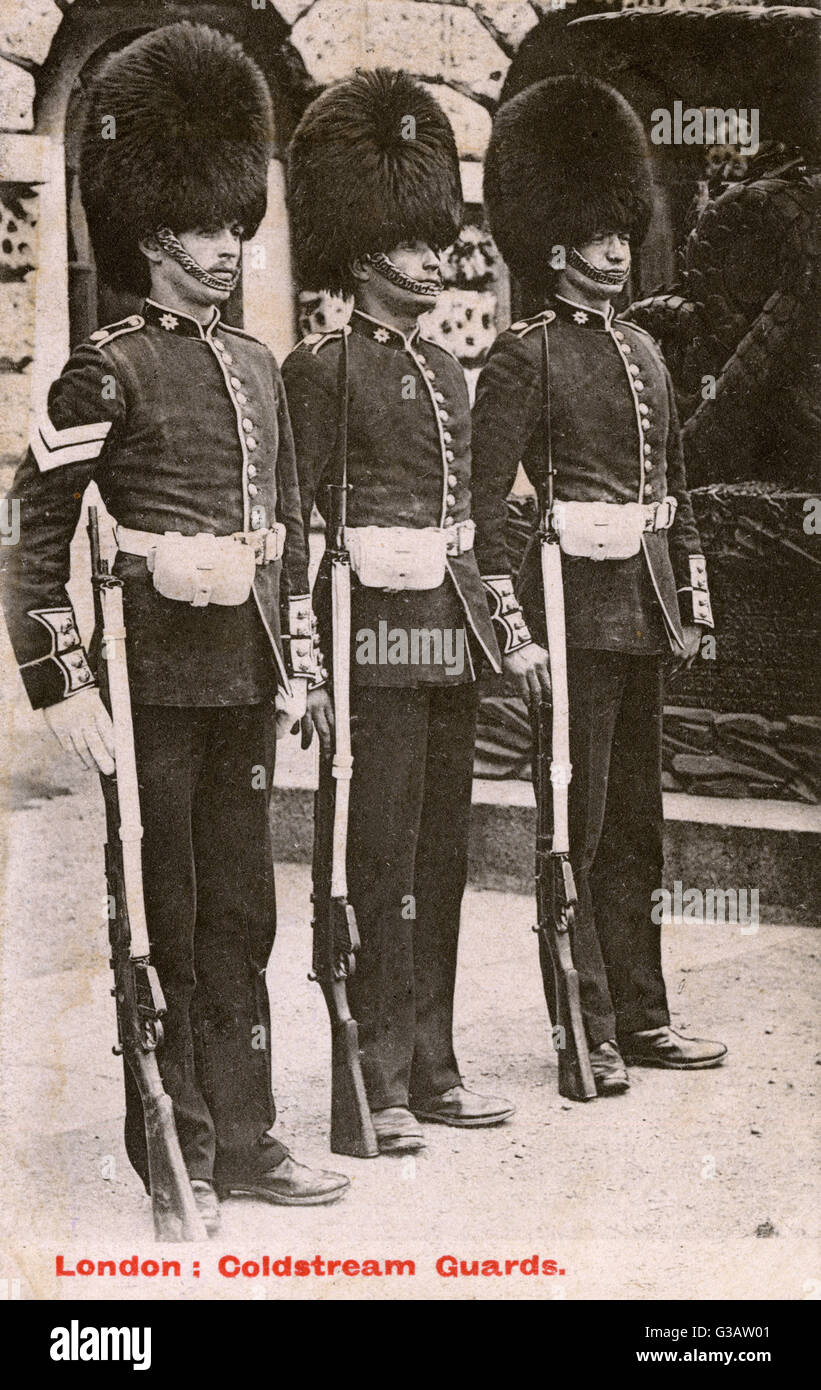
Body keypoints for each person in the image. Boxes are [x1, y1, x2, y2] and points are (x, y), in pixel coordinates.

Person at [0, 22, 349, 1233]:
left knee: (242, 913)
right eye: (203, 227)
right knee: (161, 915)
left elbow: (286, 526)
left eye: (235, 222)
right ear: (151, 231)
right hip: (149, 681)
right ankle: (175, 1146)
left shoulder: (258, 365)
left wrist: (296, 658)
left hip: (240, 677)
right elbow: (36, 531)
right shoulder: (104, 373)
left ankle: (248, 1135)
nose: (225, 246)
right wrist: (60, 680)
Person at [472, 75, 727, 1095]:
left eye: (622, 230)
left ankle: (641, 1010)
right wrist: (514, 633)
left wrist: (694, 603)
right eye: (593, 233)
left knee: (635, 827)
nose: (615, 249)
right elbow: (487, 518)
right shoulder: (518, 355)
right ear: (551, 246)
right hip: (570, 624)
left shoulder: (643, 355)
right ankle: (581, 1029)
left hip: (640, 615)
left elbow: (675, 490)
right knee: (569, 824)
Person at [283, 69, 519, 1154]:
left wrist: (500, 631)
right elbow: (301, 524)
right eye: (418, 243)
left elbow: (468, 529)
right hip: (370, 638)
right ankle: (368, 1085)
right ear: (368, 250)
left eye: (439, 240)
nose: (438, 259)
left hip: (442, 638)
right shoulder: (319, 370)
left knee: (438, 858)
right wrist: (308, 661)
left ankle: (431, 1063)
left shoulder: (449, 372)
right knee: (372, 861)